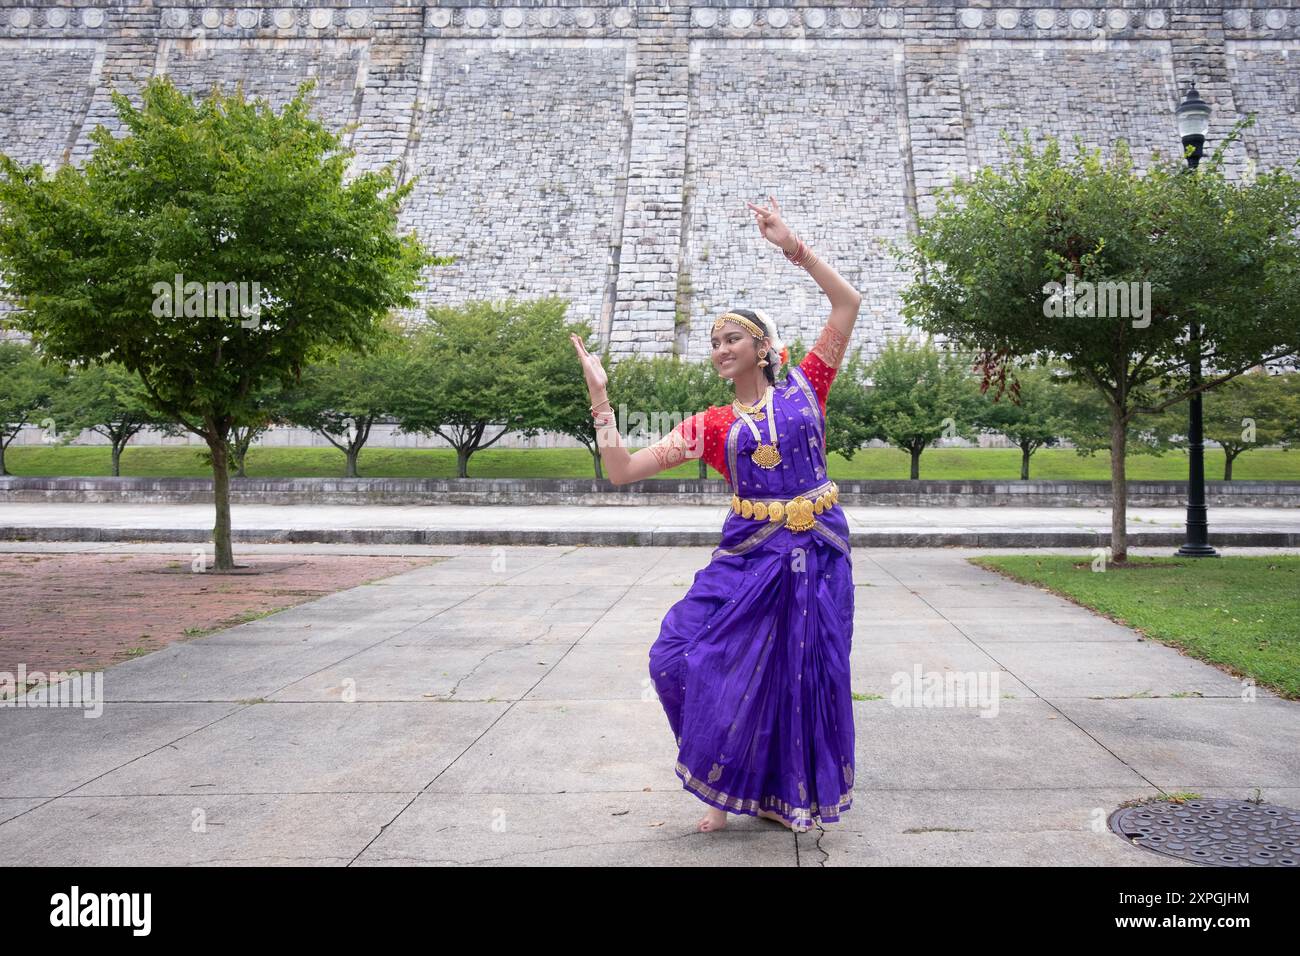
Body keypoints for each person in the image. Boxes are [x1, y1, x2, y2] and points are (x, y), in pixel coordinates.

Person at [569, 195, 860, 833]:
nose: (720, 348)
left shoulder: (808, 386)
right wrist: (600, 400)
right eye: (714, 342)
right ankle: (724, 781)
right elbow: (622, 471)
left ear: (763, 348)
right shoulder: (711, 426)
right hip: (748, 558)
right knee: (674, 658)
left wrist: (794, 246)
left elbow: (847, 305)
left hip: (816, 553)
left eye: (731, 338)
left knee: (800, 673)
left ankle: (785, 797)